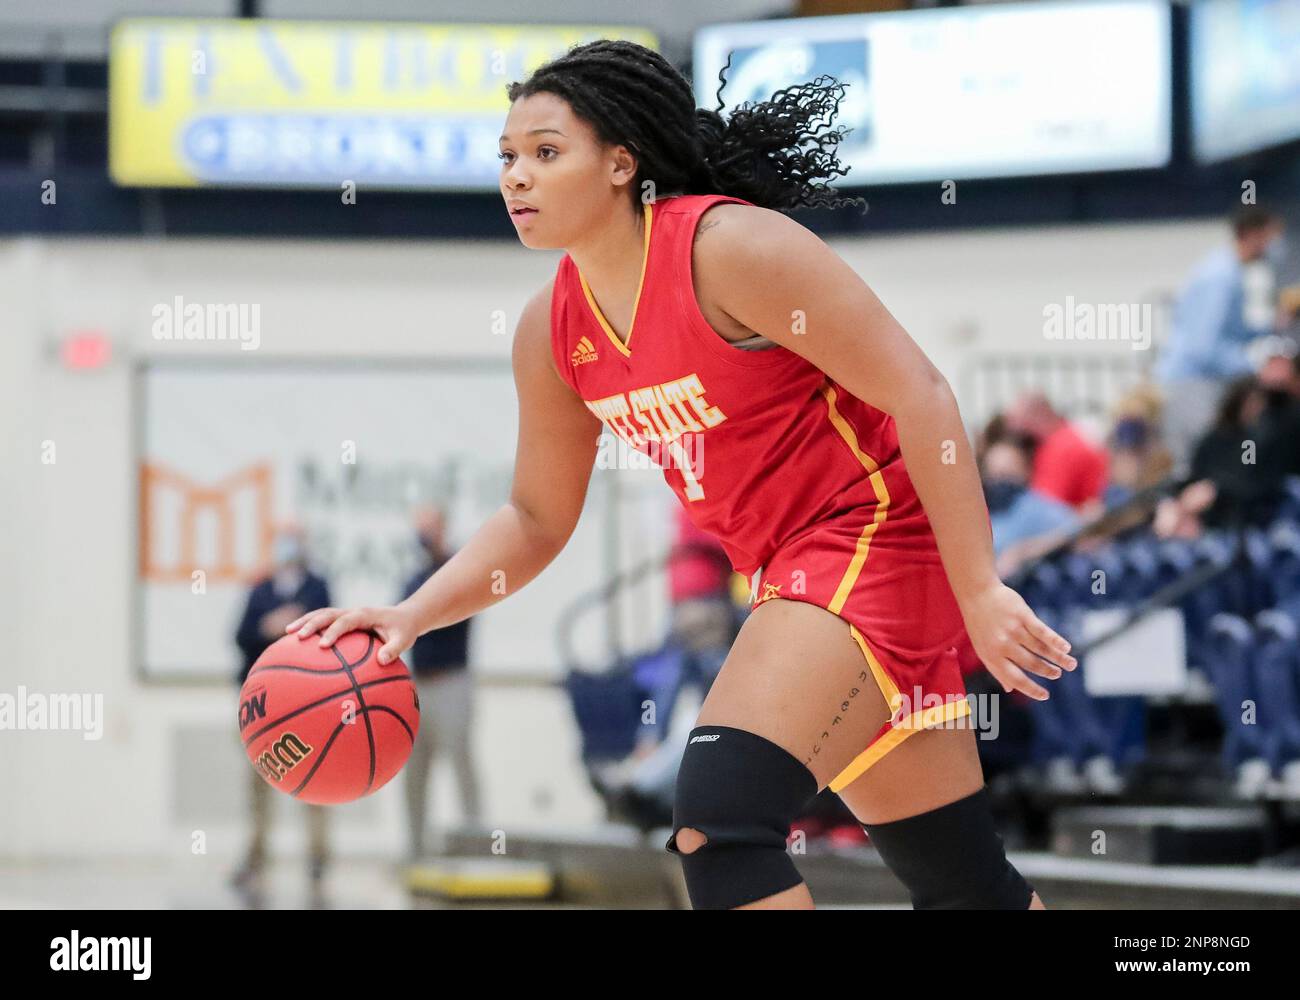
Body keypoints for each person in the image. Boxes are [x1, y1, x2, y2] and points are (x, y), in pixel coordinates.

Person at [284, 40, 1075, 910]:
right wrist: (409, 615)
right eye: (508, 157)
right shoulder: (553, 329)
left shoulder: (728, 247)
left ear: (622, 163)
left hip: (875, 538)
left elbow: (921, 391)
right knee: (963, 882)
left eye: (548, 153)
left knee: (719, 820)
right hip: (794, 577)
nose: (518, 177)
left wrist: (980, 587)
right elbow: (538, 519)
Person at [231, 522, 332, 893]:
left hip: (309, 703)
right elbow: (239, 637)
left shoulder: (318, 587)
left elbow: (332, 636)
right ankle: (256, 857)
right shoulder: (260, 588)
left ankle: (318, 858)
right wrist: (266, 627)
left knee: (316, 778)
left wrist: (294, 627)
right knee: (258, 783)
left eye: (295, 537)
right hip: (262, 705)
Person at [1154, 207, 1286, 475]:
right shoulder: (1220, 277)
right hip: (1191, 385)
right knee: (1200, 467)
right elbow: (1203, 348)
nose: (1274, 246)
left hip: (1202, 384)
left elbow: (1230, 332)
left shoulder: (1232, 273)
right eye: (1271, 237)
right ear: (1252, 235)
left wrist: (1269, 327)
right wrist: (1256, 366)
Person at [399, 506, 481, 861]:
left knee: (460, 763)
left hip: (451, 682)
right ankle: (416, 850)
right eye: (420, 528)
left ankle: (476, 846)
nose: (423, 535)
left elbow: (451, 618)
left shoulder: (459, 571)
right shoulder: (413, 578)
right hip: (418, 686)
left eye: (429, 528)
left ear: (443, 528)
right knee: (415, 772)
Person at [980, 434, 1081, 578]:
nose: (1000, 480)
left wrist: (1023, 552)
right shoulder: (981, 509)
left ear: (1025, 471)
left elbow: (1078, 531)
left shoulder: (1034, 506)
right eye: (994, 473)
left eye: (1007, 473)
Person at [1003, 392, 1108, 517]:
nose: (1013, 429)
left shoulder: (1060, 449)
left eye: (1016, 421)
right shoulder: (1064, 438)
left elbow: (1045, 507)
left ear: (1037, 415)